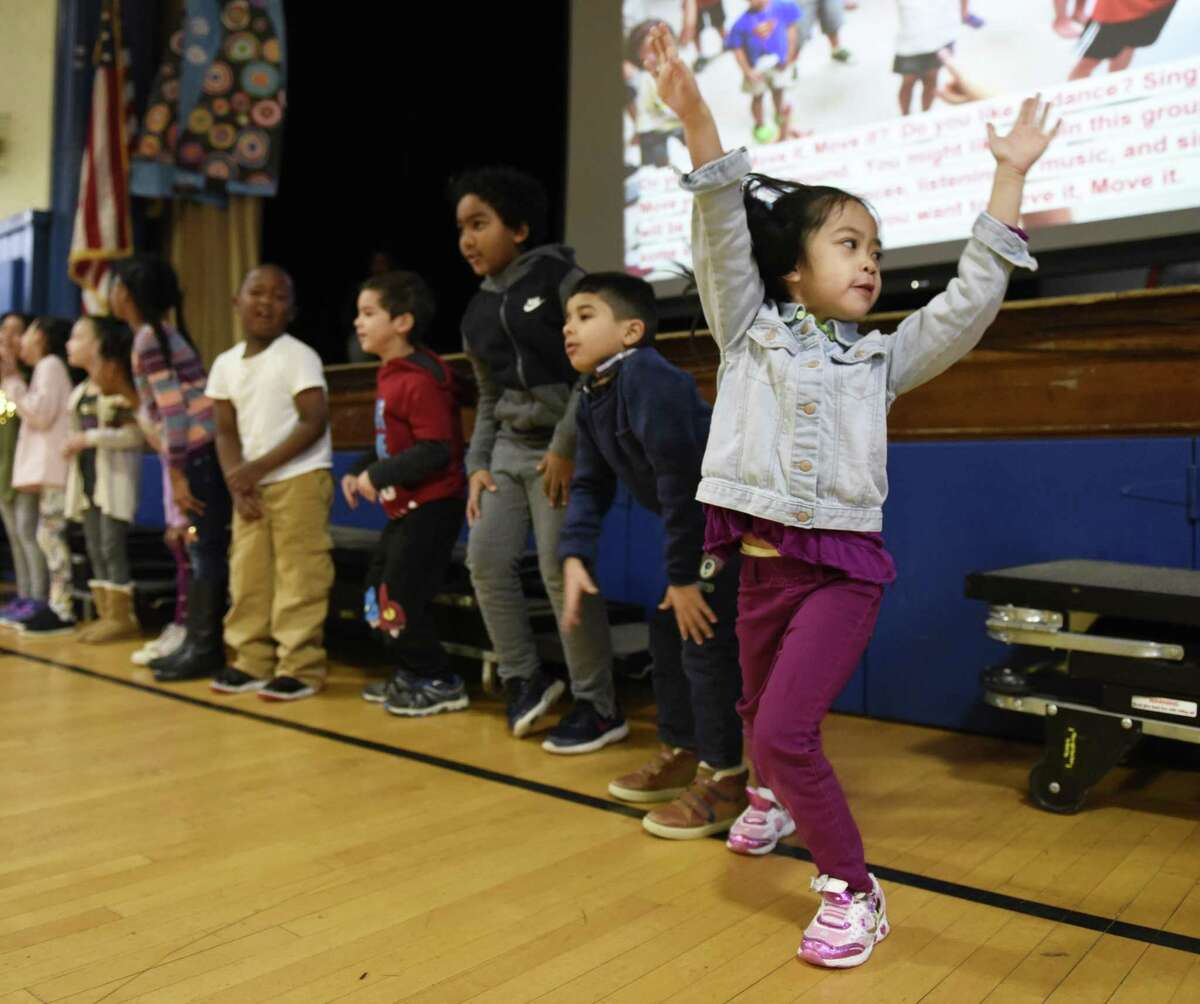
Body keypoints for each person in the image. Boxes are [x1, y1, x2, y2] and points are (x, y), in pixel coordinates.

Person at [642, 24, 1057, 967]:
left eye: (876, 248)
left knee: (785, 731)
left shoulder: (881, 361)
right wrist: (694, 110)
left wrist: (1008, 178)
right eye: (848, 243)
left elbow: (968, 303)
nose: (870, 261)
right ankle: (767, 794)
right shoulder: (746, 330)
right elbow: (719, 222)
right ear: (792, 270)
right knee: (756, 715)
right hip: (759, 572)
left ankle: (853, 892)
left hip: (840, 574)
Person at [558, 272, 746, 838]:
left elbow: (681, 482)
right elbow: (589, 484)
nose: (568, 328)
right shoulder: (593, 392)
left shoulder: (647, 375)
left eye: (585, 315)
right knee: (668, 631)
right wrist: (575, 555)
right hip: (702, 527)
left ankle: (726, 775)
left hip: (734, 523)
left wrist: (685, 577)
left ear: (631, 331)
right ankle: (686, 751)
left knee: (703, 640)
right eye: (567, 318)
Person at [452, 165, 622, 754]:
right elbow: (488, 397)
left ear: (519, 228)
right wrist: (477, 463)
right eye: (461, 228)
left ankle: (598, 704)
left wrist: (564, 448)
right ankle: (523, 680)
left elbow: (592, 370)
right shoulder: (475, 312)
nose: (467, 240)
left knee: (558, 569)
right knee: (484, 560)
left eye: (480, 224)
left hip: (564, 447)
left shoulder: (561, 279)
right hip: (506, 449)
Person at [205, 265, 334, 702]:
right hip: (250, 486)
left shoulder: (298, 356)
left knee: (301, 574)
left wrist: (255, 469)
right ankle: (251, 660)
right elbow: (225, 432)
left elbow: (313, 421)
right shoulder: (225, 364)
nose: (266, 302)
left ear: (292, 311)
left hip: (299, 477)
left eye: (279, 297)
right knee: (248, 575)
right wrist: (236, 482)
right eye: (257, 293)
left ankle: (300, 665)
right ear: (236, 302)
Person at [345, 270, 469, 716]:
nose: (358, 322)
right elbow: (391, 443)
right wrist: (361, 469)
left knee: (400, 595)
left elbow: (436, 449)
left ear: (402, 322)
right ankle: (410, 671)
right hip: (408, 509)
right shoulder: (392, 374)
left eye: (368, 313)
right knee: (377, 590)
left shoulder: (419, 379)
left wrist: (377, 476)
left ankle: (439, 680)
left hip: (433, 507)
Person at [111, 254, 232, 682]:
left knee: (202, 547)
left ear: (128, 294)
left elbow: (173, 410)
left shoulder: (150, 338)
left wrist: (177, 472)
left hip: (196, 451)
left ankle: (204, 646)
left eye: (115, 286)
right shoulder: (156, 335)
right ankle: (196, 641)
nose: (110, 294)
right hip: (195, 450)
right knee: (199, 546)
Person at [63, 316, 144, 643]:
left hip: (113, 483)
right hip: (87, 484)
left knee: (112, 547)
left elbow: (135, 435)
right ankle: (105, 614)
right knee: (95, 547)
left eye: (77, 336)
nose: (69, 344)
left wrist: (90, 438)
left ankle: (123, 617)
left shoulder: (120, 391)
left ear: (98, 344)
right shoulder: (80, 392)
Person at [0, 317, 76, 635]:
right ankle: (39, 600)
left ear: (41, 336)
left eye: (24, 332)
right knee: (39, 537)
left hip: (47, 468)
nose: (16, 341)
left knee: (44, 537)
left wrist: (12, 380)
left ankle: (54, 605)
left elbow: (38, 414)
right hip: (31, 469)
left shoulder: (48, 367)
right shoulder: (42, 370)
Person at [0, 312, 37, 624]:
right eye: (4, 330)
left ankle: (38, 598)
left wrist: (12, 376)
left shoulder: (29, 379)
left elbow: (24, 417)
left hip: (26, 470)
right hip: (3, 472)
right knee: (14, 536)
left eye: (17, 332)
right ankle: (23, 596)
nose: (8, 338)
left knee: (29, 535)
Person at [725, 0, 803, 143]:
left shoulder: (782, 7)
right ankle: (760, 125)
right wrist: (747, 71)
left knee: (779, 91)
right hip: (756, 68)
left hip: (779, 63)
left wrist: (789, 55)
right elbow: (737, 49)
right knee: (757, 96)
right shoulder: (741, 24)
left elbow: (791, 30)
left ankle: (781, 119)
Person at [1070, 0, 1178, 79]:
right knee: (1090, 60)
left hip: (1153, 8)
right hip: (1113, 11)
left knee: (1128, 45)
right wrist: (1077, 10)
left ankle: (1115, 95)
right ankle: (1069, 99)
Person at [893, 0, 959, 115]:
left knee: (931, 79)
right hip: (910, 41)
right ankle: (905, 117)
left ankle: (925, 115)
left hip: (939, 36)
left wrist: (964, 13)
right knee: (909, 81)